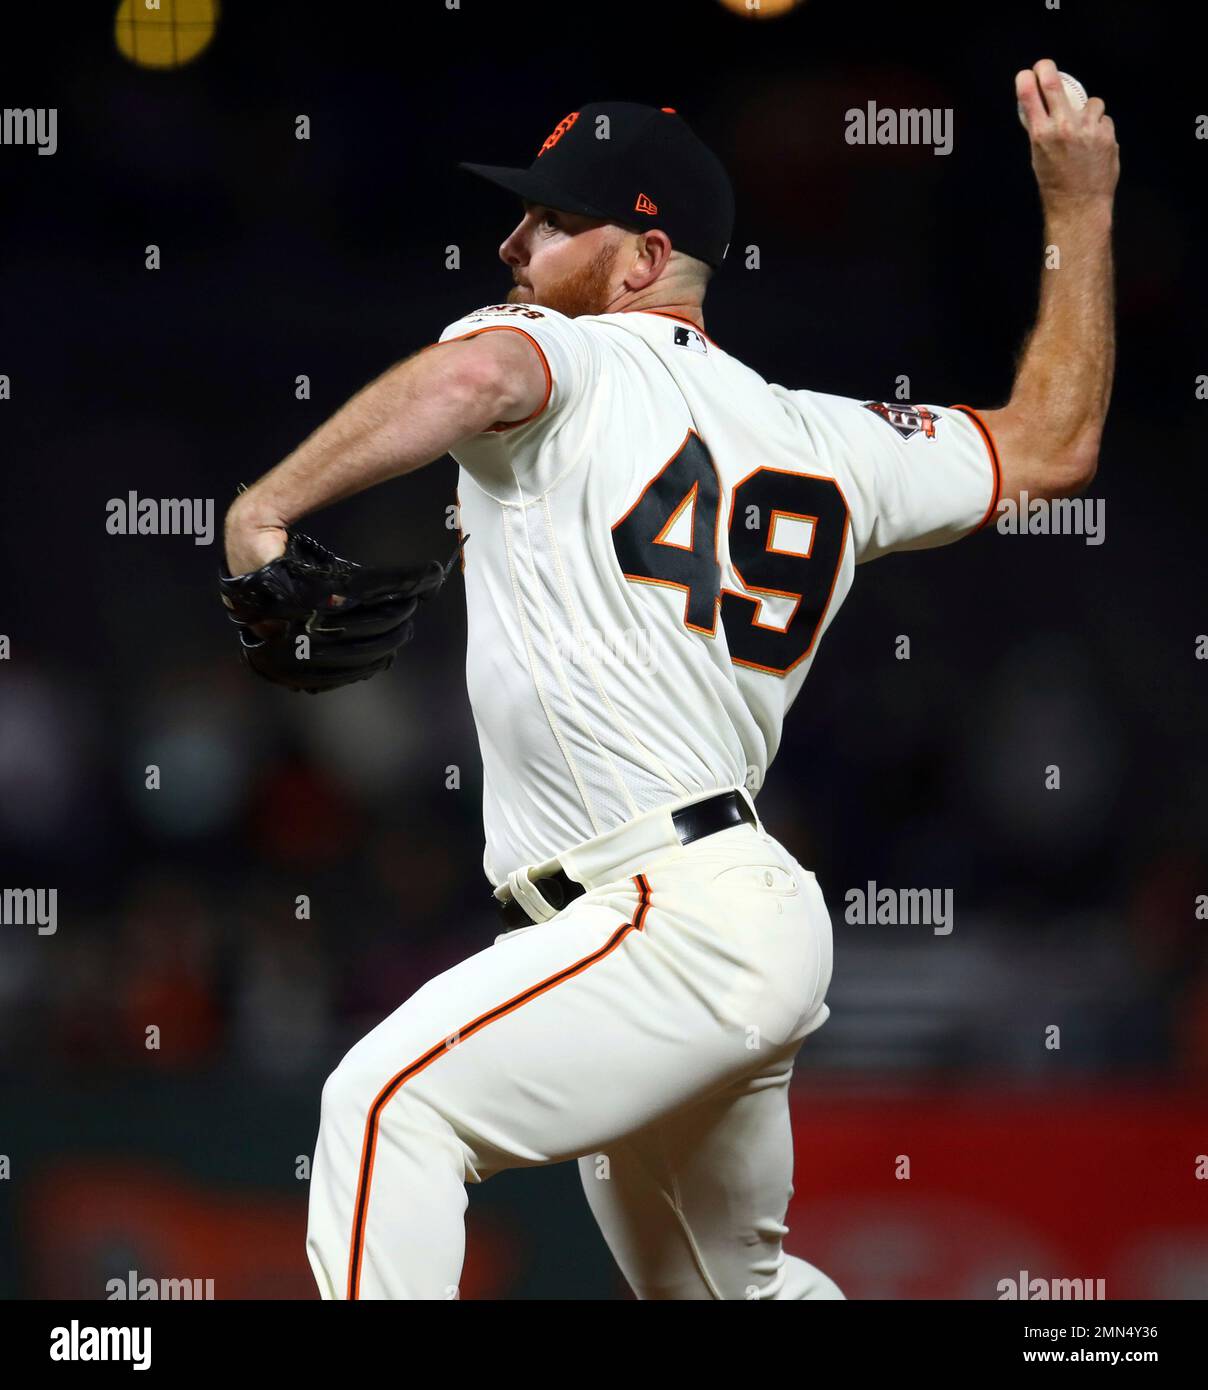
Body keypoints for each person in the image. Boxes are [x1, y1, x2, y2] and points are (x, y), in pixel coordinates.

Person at [224, 65, 1118, 1299]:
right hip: (712, 919)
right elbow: (1050, 442)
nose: (511, 242)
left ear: (642, 259)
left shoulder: (564, 356)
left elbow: (477, 379)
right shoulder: (830, 436)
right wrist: (1080, 207)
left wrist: (264, 507)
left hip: (661, 913)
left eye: (547, 221)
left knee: (384, 1107)